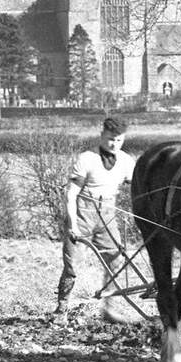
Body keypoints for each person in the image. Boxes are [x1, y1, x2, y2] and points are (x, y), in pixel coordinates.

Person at [52, 116, 136, 316]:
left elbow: (139, 188)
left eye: (118, 140)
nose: (114, 144)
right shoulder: (87, 158)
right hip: (83, 215)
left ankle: (109, 308)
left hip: (108, 216)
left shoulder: (126, 161)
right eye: (110, 139)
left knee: (116, 259)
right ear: (101, 136)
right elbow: (71, 194)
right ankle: (62, 308)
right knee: (72, 265)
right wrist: (73, 225)